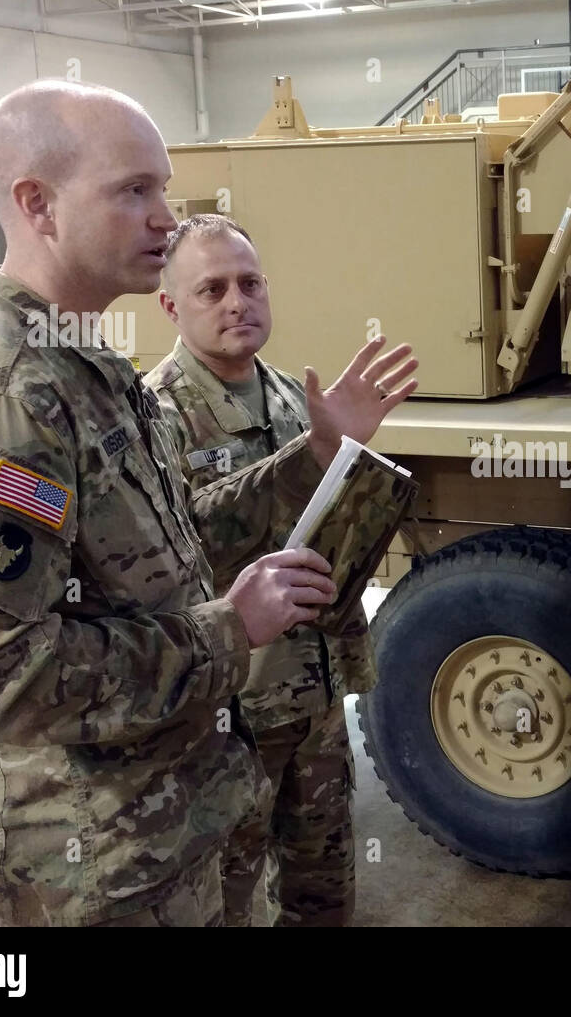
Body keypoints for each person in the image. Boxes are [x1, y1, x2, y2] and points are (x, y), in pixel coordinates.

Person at [0, 80, 414, 927]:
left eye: (164, 188)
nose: (167, 218)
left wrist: (310, 459)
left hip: (164, 821)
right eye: (134, 191)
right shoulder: (2, 397)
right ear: (38, 205)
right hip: (90, 858)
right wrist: (228, 630)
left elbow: (171, 546)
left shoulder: (80, 364)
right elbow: (8, 678)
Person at [144, 214, 414, 926]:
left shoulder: (299, 399)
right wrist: (315, 459)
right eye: (212, 289)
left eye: (250, 282)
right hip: (231, 712)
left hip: (314, 700)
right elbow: (178, 550)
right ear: (171, 306)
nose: (237, 301)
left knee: (323, 886)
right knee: (230, 895)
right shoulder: (155, 416)